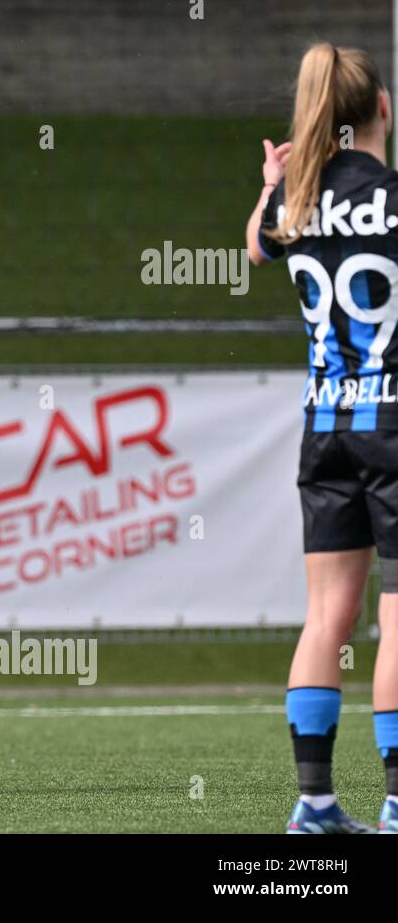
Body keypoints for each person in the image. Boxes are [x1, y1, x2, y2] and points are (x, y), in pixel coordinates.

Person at [247, 41, 398, 834]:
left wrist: (276, 181)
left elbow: (254, 244)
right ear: (382, 109)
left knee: (327, 617)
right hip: (394, 423)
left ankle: (313, 803)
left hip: (326, 427)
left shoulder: (294, 202)